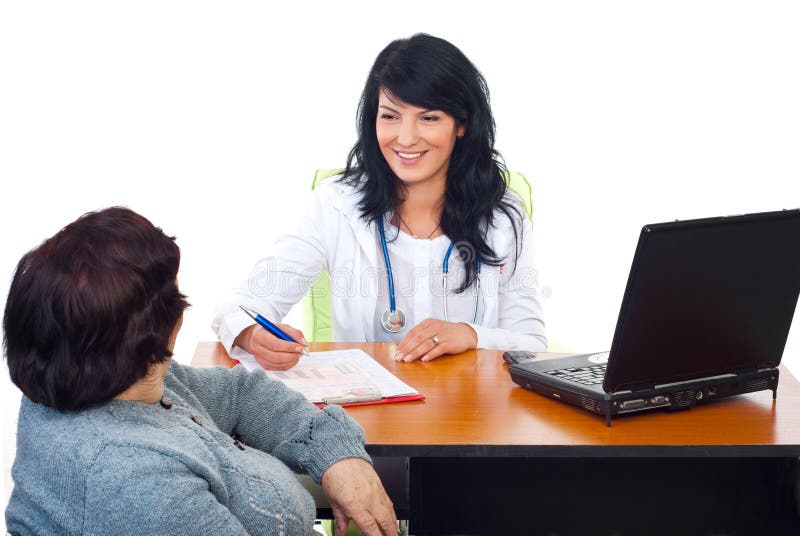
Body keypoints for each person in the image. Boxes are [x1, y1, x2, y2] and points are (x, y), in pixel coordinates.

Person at [3, 207, 397, 536]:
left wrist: (337, 456)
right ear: (154, 331)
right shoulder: (135, 482)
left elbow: (242, 394)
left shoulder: (113, 376)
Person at [213, 33, 546, 371]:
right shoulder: (336, 205)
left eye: (428, 118)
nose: (405, 138)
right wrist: (253, 334)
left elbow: (532, 345)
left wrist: (472, 335)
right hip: (366, 414)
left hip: (469, 414)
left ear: (461, 124)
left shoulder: (504, 214)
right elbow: (239, 306)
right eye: (390, 116)